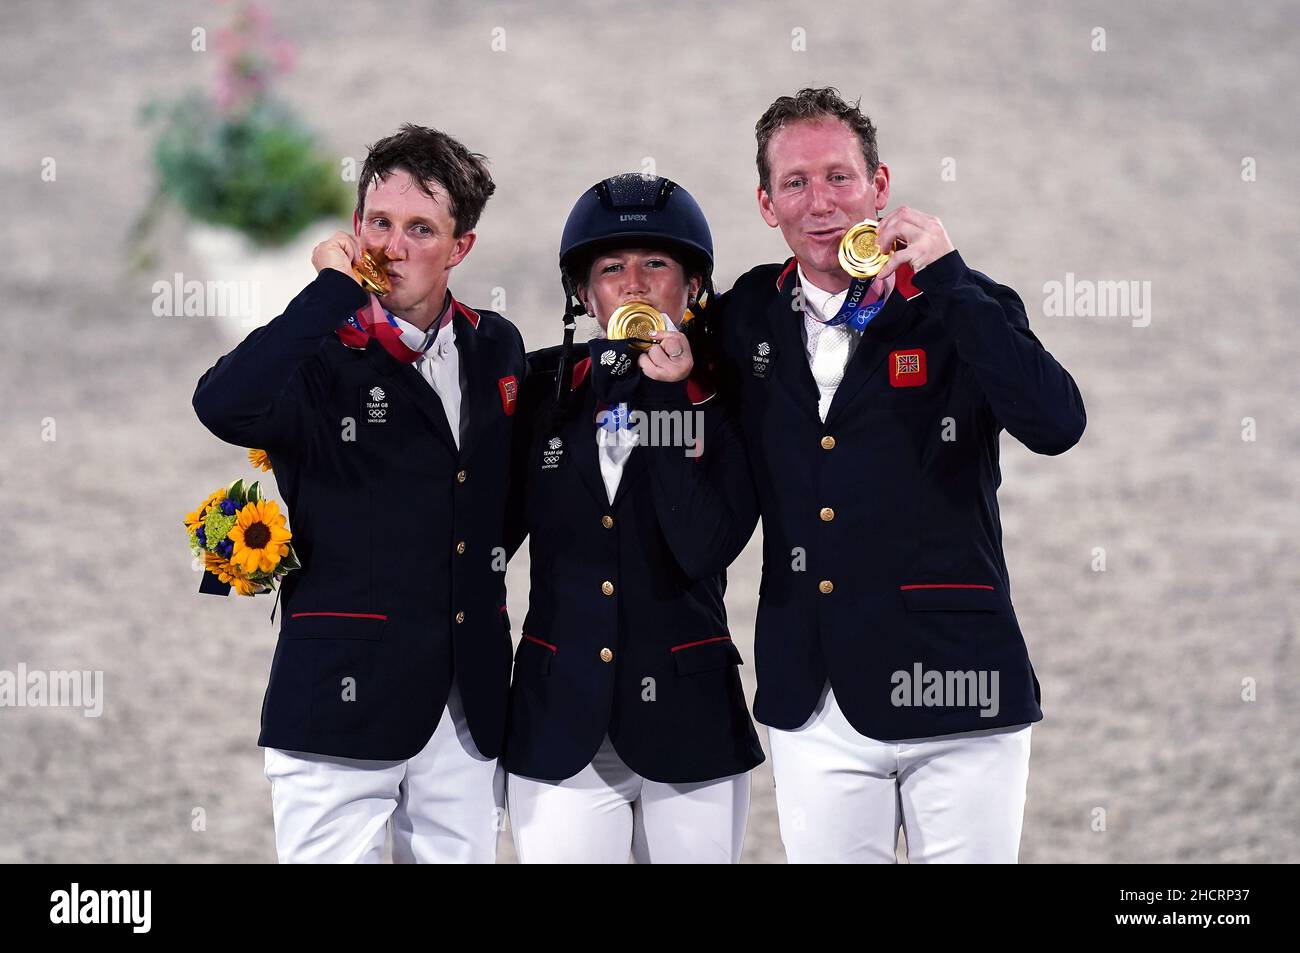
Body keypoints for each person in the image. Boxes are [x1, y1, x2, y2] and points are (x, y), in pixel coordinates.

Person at [706, 88, 1087, 862]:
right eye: (796, 183)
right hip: (814, 700)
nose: (821, 203)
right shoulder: (747, 314)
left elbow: (1058, 423)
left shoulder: (959, 306)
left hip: (959, 687)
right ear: (765, 203)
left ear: (880, 188)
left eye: (840, 177)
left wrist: (950, 279)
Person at [192, 123, 525, 863]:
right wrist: (328, 291)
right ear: (353, 228)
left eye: (420, 229)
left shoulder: (495, 345)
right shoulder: (311, 353)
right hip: (335, 708)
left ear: (460, 247)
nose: (393, 246)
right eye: (379, 222)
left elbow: (499, 499)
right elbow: (221, 405)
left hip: (465, 712)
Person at [503, 174, 764, 863]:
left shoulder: (734, 399)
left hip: (692, 719)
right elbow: (480, 532)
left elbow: (704, 543)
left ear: (694, 287)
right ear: (585, 296)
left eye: (656, 264)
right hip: (560, 721)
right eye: (612, 268)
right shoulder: (537, 391)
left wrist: (672, 395)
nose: (635, 284)